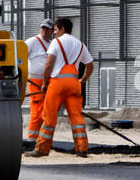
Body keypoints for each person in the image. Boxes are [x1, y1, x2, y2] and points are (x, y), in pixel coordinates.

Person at [32, 17, 94, 157]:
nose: (53, 33)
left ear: (62, 29)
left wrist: (44, 83)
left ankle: (41, 149)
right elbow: (90, 65)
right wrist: (83, 79)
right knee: (77, 118)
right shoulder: (80, 44)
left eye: (55, 29)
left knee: (49, 116)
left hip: (57, 84)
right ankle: (82, 149)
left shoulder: (56, 42)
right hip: (74, 84)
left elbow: (48, 65)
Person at [22, 18, 55, 141]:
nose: (44, 30)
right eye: (43, 28)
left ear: (52, 31)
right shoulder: (32, 42)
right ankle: (32, 139)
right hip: (35, 81)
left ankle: (42, 139)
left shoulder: (51, 44)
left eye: (47, 29)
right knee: (37, 110)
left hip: (48, 81)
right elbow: (20, 56)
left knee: (46, 111)